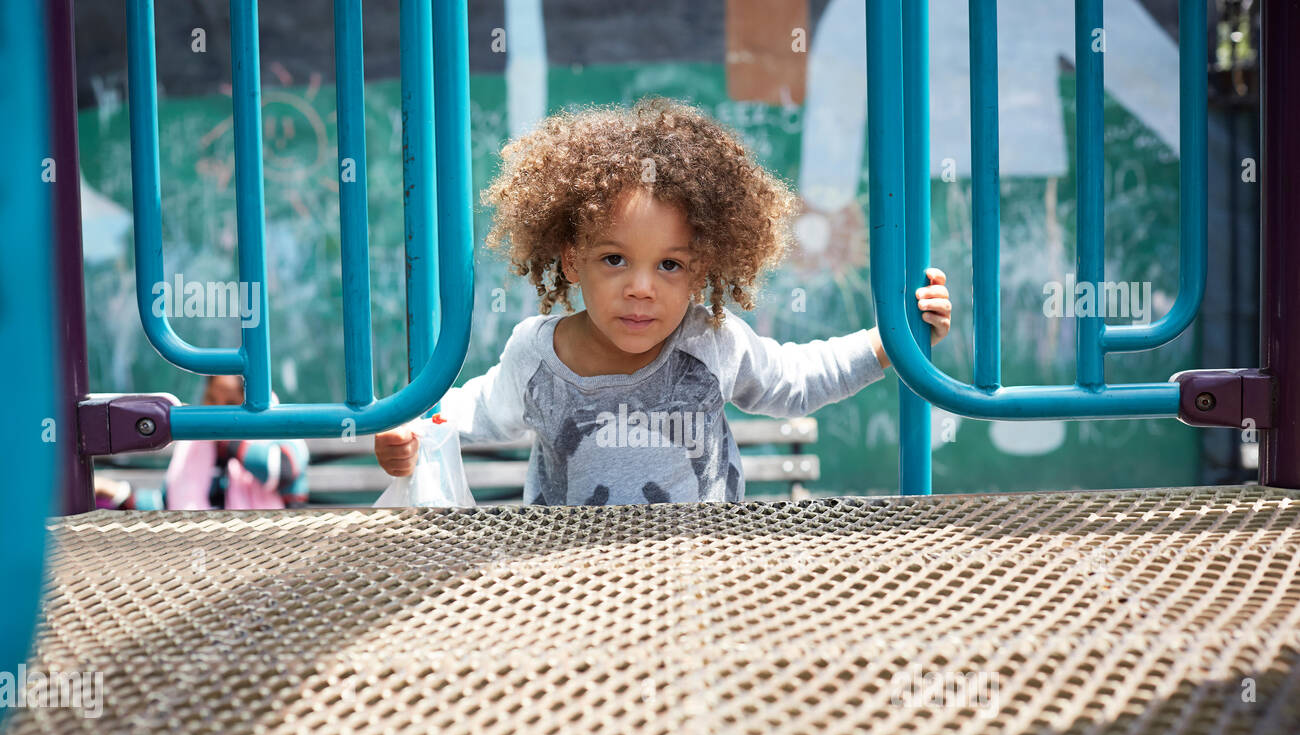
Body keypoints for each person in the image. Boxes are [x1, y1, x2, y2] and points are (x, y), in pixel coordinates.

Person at [374, 97, 952, 506]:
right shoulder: (538, 355)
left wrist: (888, 342)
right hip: (569, 590)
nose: (641, 287)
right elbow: (473, 410)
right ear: (572, 259)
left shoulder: (709, 342)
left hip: (700, 582)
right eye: (614, 259)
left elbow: (793, 380)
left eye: (669, 265)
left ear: (701, 270)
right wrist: (409, 429)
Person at [95, 374, 310, 510]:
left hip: (270, 549)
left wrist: (219, 434)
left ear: (252, 402)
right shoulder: (196, 446)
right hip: (206, 552)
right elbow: (168, 504)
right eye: (211, 400)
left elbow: (278, 470)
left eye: (230, 402)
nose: (217, 409)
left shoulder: (281, 429)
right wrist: (115, 491)